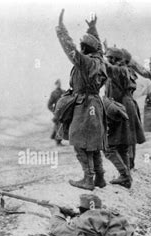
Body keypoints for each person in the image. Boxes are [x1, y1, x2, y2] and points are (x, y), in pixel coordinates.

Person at [55, 9, 107, 191]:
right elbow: (99, 47)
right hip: (95, 103)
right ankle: (99, 177)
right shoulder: (99, 59)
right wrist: (93, 29)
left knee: (79, 142)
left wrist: (61, 29)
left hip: (84, 105)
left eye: (81, 45)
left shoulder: (85, 62)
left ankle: (88, 179)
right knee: (93, 142)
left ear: (84, 49)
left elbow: (70, 49)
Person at [101, 45, 132, 189]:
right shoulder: (123, 69)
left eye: (109, 57)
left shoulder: (117, 70)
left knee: (108, 147)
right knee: (123, 147)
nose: (107, 60)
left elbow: (104, 64)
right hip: (123, 109)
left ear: (114, 59)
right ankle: (126, 176)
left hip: (116, 111)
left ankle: (125, 176)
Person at [121, 48, 146, 169]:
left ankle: (128, 163)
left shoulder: (123, 71)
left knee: (126, 135)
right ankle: (130, 161)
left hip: (123, 104)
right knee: (130, 134)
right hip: (130, 103)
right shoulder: (130, 71)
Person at [48, 79, 65, 146]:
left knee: (60, 126)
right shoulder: (53, 93)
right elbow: (49, 105)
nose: (59, 84)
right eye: (57, 83)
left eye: (59, 83)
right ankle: (58, 141)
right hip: (57, 112)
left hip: (63, 112)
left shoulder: (64, 92)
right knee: (59, 126)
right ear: (55, 84)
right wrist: (54, 111)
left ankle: (54, 136)